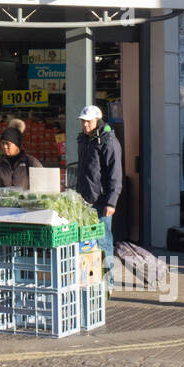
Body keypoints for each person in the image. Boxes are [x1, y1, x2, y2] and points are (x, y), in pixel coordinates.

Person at [76, 103, 122, 269]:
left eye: (88, 121)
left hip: (101, 202)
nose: (85, 125)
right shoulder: (83, 139)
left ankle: (107, 283)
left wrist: (112, 201)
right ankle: (91, 281)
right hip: (84, 199)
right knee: (86, 243)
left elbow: (115, 173)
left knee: (103, 242)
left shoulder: (108, 140)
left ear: (97, 121)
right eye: (83, 121)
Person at [0, 119, 43, 190]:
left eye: (7, 144)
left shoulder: (31, 163)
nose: (4, 147)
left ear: (17, 145)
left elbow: (42, 186)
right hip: (4, 201)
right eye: (2, 143)